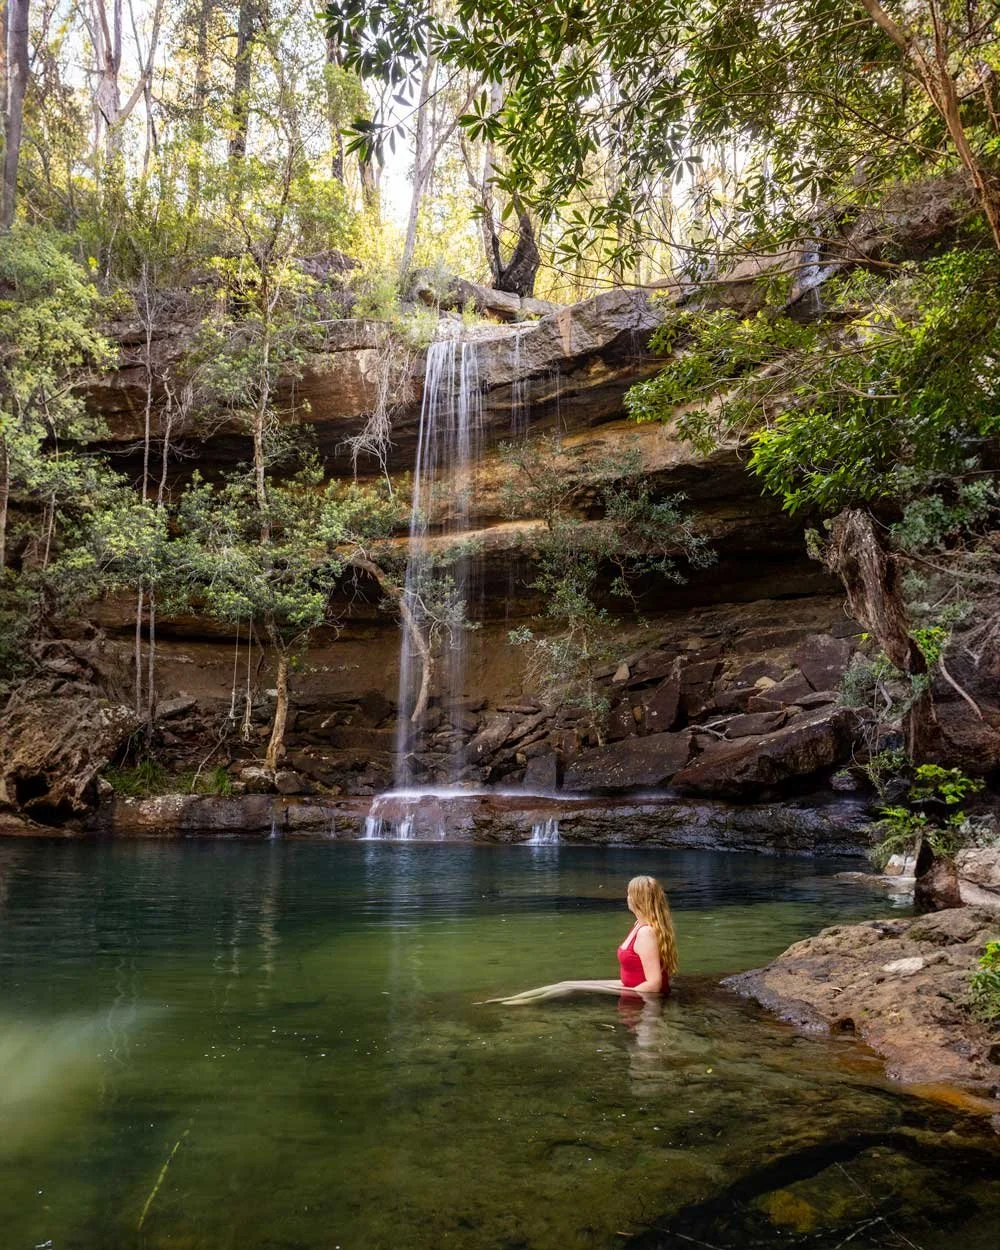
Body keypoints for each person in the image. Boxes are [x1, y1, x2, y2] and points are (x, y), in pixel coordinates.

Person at [480, 874, 679, 1005]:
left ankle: (510, 1004)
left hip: (638, 993)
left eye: (628, 894)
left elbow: (653, 984)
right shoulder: (639, 925)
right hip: (627, 985)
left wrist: (623, 995)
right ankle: (509, 1000)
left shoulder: (646, 933)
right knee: (565, 983)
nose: (626, 897)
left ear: (637, 900)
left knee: (570, 987)